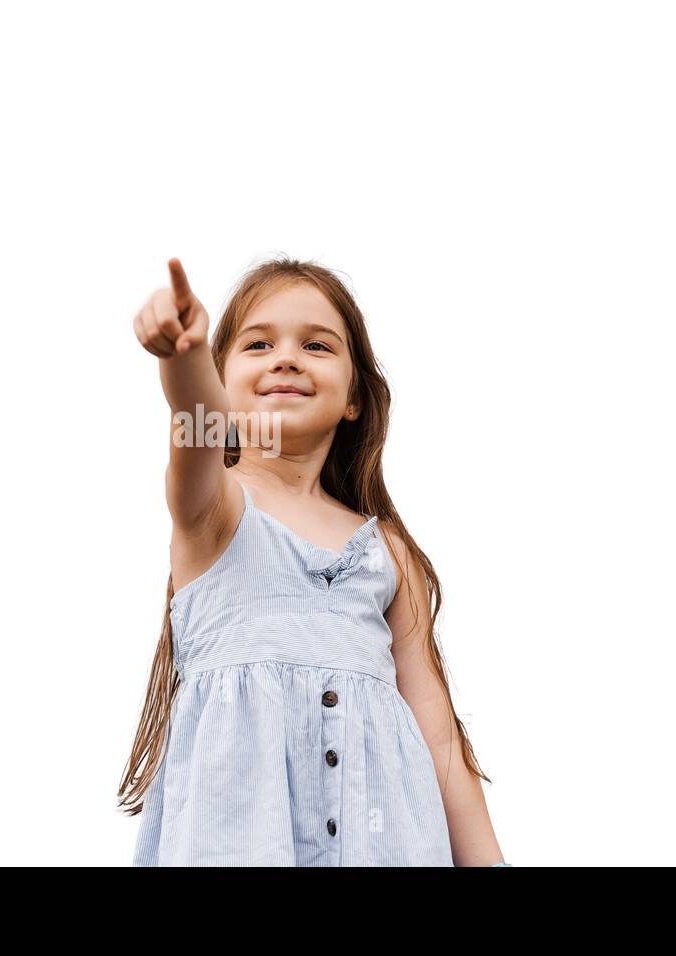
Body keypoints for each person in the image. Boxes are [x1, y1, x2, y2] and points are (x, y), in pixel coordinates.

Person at [118, 255, 509, 866]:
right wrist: (183, 356)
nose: (286, 357)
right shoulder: (215, 514)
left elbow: (437, 735)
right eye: (258, 342)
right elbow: (193, 425)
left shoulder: (389, 555)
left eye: (318, 345)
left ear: (353, 397)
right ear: (221, 384)